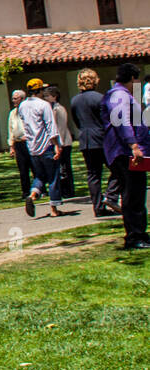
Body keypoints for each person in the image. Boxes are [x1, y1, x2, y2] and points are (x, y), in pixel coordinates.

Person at [101, 61, 150, 250]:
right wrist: (134, 146)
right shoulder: (119, 95)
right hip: (126, 153)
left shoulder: (124, 95)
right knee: (132, 194)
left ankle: (140, 233)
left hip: (130, 151)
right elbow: (122, 122)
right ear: (132, 78)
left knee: (136, 192)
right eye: (136, 79)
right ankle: (134, 236)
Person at [70, 69, 120, 218]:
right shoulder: (100, 98)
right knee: (118, 169)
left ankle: (98, 208)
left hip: (85, 139)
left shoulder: (74, 100)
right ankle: (111, 196)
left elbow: (77, 121)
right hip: (102, 138)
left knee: (93, 175)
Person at [18, 79, 63, 217]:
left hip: (32, 147)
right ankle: (54, 208)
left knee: (39, 175)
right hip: (46, 145)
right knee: (53, 176)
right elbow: (50, 126)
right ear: (40, 90)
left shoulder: (22, 106)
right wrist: (56, 144)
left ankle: (32, 195)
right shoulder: (44, 105)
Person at [42, 85, 74, 198]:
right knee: (60, 167)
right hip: (60, 142)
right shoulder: (51, 109)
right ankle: (63, 189)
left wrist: (59, 144)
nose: (45, 98)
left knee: (64, 167)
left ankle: (68, 190)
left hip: (64, 142)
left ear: (54, 96)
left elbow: (61, 127)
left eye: (47, 96)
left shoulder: (58, 109)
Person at [7, 89, 33, 198]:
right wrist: (11, 146)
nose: (13, 100)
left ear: (22, 99)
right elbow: (11, 130)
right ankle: (25, 191)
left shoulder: (28, 110)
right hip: (18, 144)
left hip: (29, 142)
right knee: (22, 169)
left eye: (15, 98)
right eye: (12, 98)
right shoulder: (12, 113)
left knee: (34, 167)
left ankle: (40, 189)